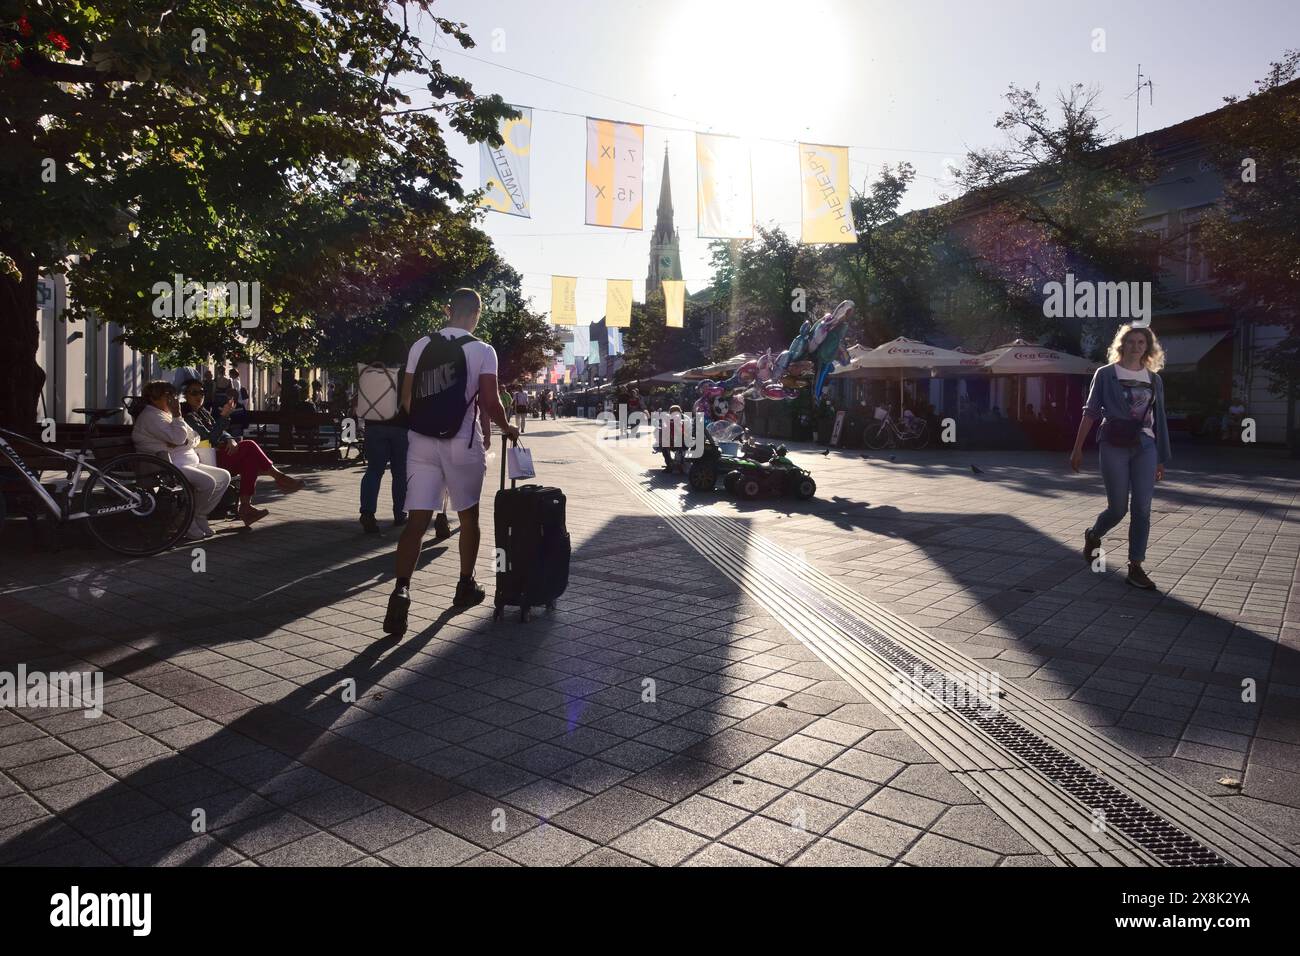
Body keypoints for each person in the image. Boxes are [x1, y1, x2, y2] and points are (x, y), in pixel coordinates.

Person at [384, 289, 520, 635]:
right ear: (476, 313)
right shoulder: (483, 351)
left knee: (416, 522)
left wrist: (424, 428)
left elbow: (406, 398)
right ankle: (465, 586)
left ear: (449, 311)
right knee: (468, 516)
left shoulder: (420, 344)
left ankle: (401, 589)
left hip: (420, 443)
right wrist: (509, 429)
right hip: (462, 443)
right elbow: (490, 402)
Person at [1070, 324, 1171, 591]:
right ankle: (1094, 535)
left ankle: (1136, 566)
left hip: (1146, 446)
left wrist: (1160, 457)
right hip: (1113, 443)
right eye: (1131, 341)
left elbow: (1158, 420)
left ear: (1147, 348)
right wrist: (1077, 447)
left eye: (1141, 342)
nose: (1136, 346)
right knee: (1118, 508)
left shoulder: (1154, 379)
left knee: (1142, 509)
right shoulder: (1105, 374)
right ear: (1121, 345)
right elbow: (1090, 412)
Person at [180, 377, 303, 526]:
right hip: (205, 459)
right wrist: (224, 416)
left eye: (202, 392)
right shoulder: (187, 415)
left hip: (216, 454)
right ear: (185, 395)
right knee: (249, 445)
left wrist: (230, 438)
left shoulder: (202, 412)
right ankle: (279, 477)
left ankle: (246, 508)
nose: (199, 396)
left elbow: (220, 432)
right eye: (194, 393)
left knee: (249, 461)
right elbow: (208, 439)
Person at [132, 380, 230, 541]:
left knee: (223, 476)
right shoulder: (152, 416)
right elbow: (179, 436)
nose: (173, 399)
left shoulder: (166, 414)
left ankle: (199, 515)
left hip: (186, 462)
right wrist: (178, 420)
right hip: (168, 466)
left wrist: (184, 441)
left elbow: (196, 437)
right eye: (167, 396)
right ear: (154, 398)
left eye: (173, 395)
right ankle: (186, 519)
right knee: (208, 483)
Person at [357, 331, 414, 535]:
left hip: (374, 425)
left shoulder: (371, 368)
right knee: (400, 473)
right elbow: (410, 399)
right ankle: (400, 513)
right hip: (401, 426)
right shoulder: (406, 370)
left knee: (373, 471)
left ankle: (367, 512)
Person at [658, 405, 686, 473]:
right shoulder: (684, 418)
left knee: (664, 447)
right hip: (679, 442)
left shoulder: (669, 420)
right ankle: (675, 465)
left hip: (675, 442)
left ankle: (670, 466)